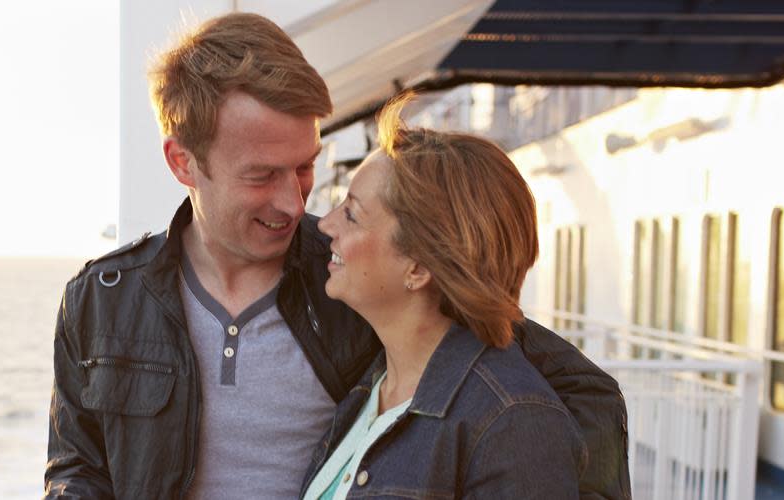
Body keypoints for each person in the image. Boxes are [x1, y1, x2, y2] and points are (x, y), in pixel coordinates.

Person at [45, 12, 629, 499]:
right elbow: (76, 469)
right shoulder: (101, 299)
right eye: (261, 175)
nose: (294, 202)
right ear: (183, 163)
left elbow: (565, 388)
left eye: (305, 165)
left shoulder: (357, 274)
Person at [301, 94, 581, 499]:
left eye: (352, 213)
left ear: (417, 267)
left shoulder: (514, 423)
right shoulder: (370, 389)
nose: (325, 225)